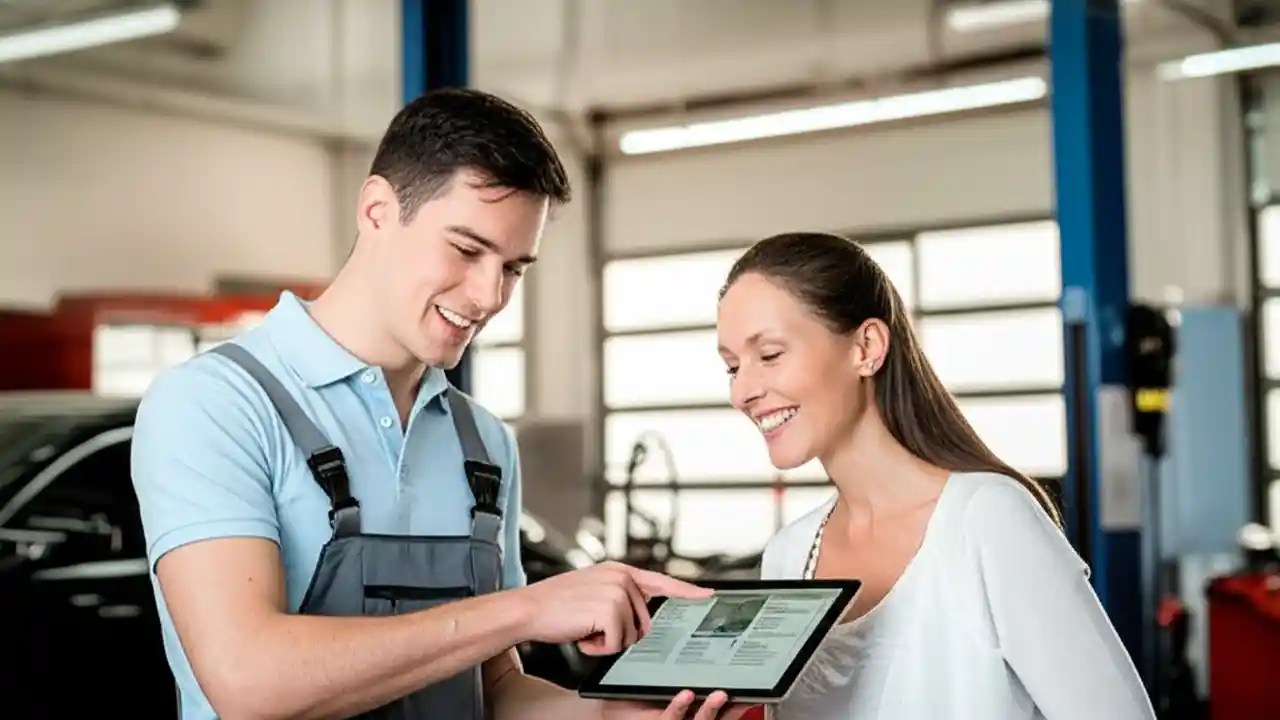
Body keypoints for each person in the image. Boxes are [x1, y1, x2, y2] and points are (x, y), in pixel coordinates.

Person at [131, 87, 744, 720]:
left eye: (514, 268)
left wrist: (613, 719)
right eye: (467, 249)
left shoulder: (481, 442)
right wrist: (527, 609)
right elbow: (249, 682)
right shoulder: (215, 405)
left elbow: (495, 687)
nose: (488, 295)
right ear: (376, 211)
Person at [714, 232, 1157, 719]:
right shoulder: (788, 556)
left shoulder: (987, 521)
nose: (744, 391)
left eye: (770, 355)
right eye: (733, 367)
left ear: (866, 347)